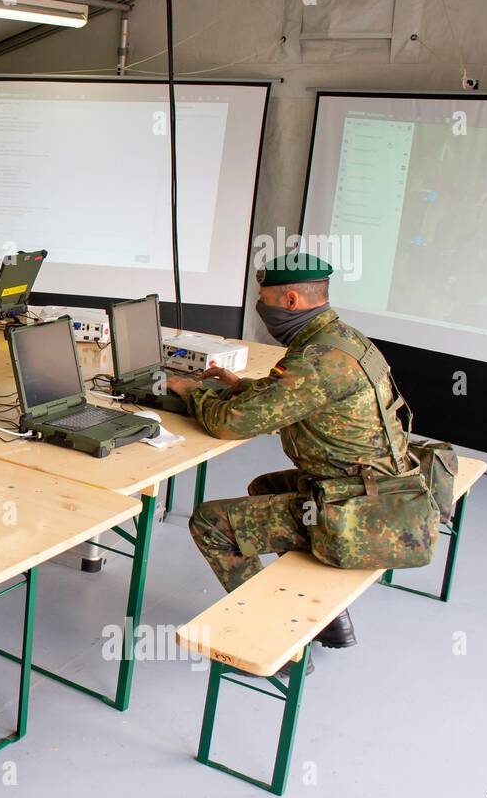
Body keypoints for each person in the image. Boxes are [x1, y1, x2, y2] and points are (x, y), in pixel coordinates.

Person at [168, 253, 424, 665]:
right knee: (265, 488)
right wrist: (240, 384)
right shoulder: (342, 338)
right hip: (381, 485)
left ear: (290, 300)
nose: (261, 306)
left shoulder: (318, 359)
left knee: (210, 523)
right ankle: (334, 620)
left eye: (264, 298)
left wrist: (188, 389)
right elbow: (297, 395)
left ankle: (271, 645)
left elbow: (230, 424)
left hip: (362, 510)